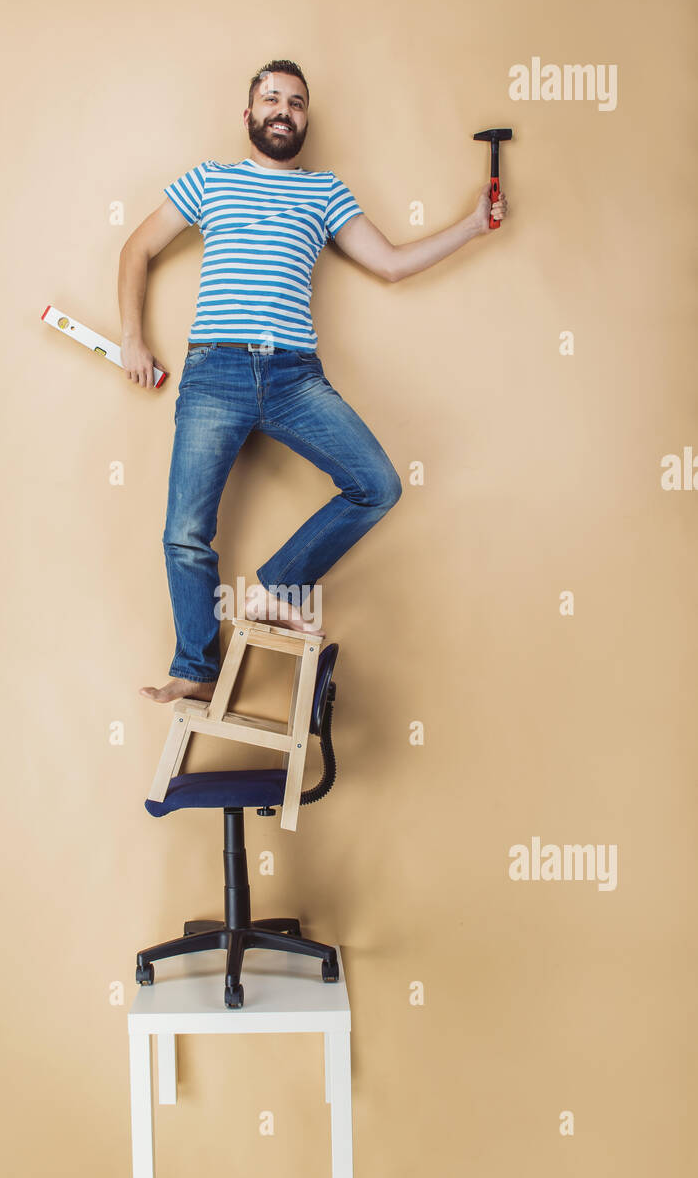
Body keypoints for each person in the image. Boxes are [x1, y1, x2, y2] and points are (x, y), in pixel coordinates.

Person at [117, 59, 508, 704]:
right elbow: (137, 248)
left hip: (294, 375)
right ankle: (195, 666)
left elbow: (390, 264)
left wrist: (472, 225)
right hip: (214, 370)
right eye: (271, 99)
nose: (283, 111)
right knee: (185, 530)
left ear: (304, 120)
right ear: (248, 115)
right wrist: (133, 336)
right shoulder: (209, 180)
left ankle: (274, 588)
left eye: (295, 103)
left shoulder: (324, 191)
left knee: (377, 484)